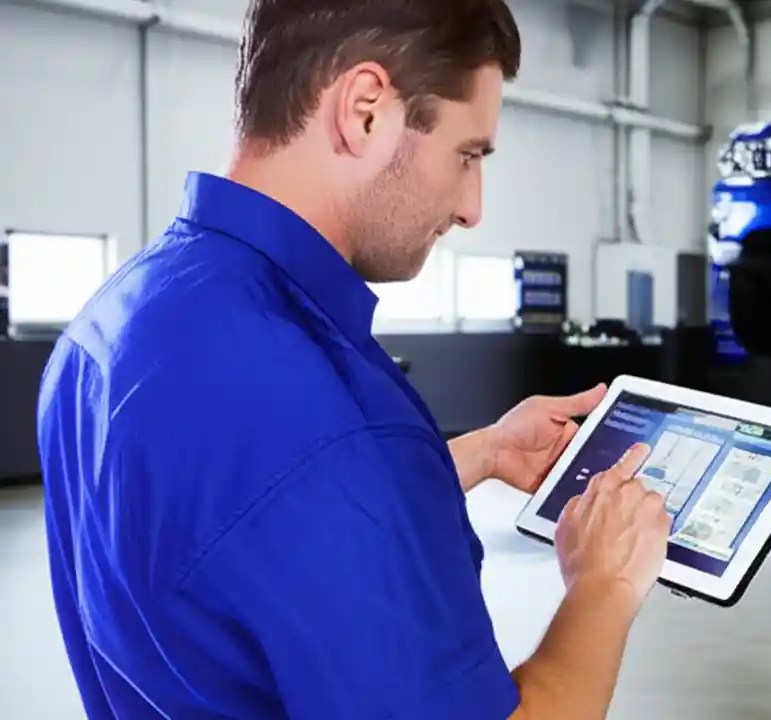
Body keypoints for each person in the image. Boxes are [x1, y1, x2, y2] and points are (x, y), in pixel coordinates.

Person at [36, 1, 673, 718]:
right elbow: (311, 466)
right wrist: (605, 585)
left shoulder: (112, 325)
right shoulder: (333, 416)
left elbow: (239, 515)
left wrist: (482, 453)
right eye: (468, 154)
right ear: (366, 111)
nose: (472, 209)